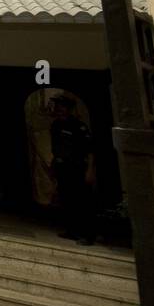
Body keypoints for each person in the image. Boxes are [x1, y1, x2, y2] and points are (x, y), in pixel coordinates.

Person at [50, 96, 96, 245]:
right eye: (57, 108)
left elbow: (90, 150)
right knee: (66, 199)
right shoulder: (55, 125)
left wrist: (90, 170)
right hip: (62, 167)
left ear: (69, 110)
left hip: (77, 168)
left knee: (82, 201)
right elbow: (56, 148)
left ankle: (88, 235)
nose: (59, 111)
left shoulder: (78, 126)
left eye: (62, 108)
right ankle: (72, 231)